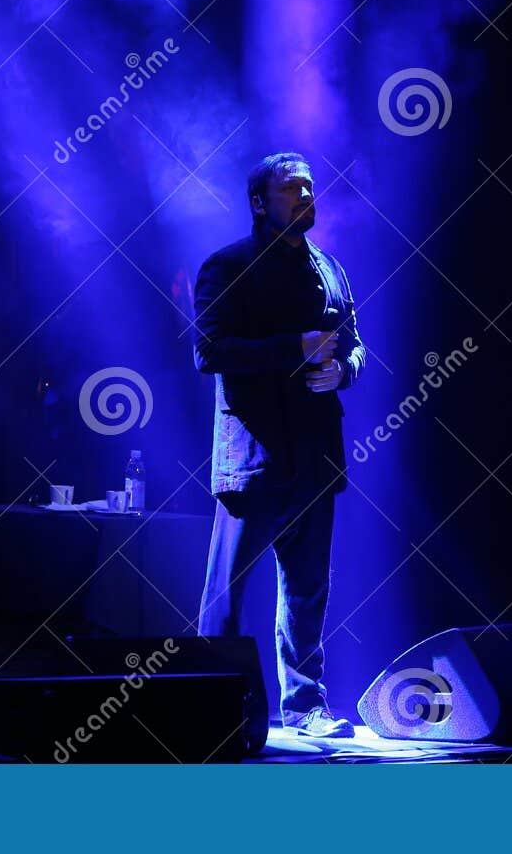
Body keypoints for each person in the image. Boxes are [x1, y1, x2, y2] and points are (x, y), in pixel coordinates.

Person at [193, 151, 366, 738]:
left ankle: (305, 706)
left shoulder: (331, 268)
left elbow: (356, 344)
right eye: (293, 188)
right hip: (256, 457)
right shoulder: (227, 266)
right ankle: (211, 708)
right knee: (227, 595)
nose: (306, 195)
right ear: (260, 202)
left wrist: (343, 370)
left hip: (317, 454)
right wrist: (296, 347)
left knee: (308, 588)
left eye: (311, 187)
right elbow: (209, 352)